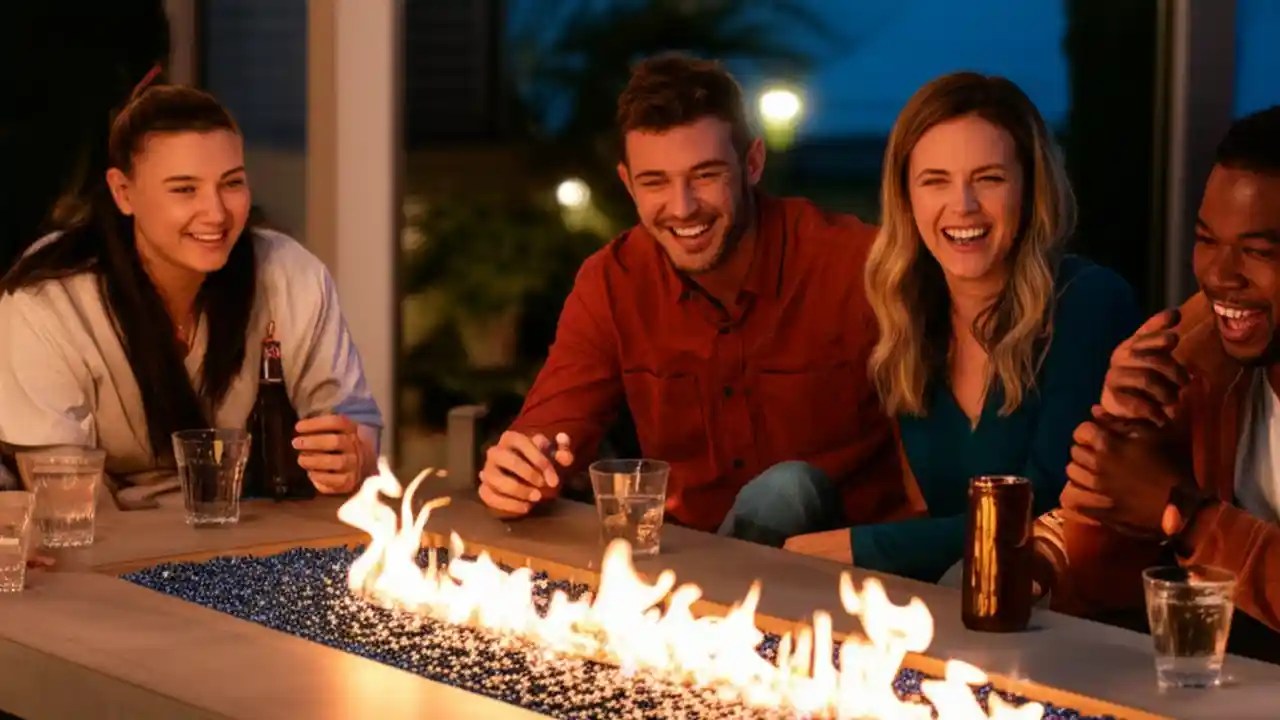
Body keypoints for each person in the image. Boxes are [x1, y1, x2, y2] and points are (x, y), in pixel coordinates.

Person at [476, 54, 913, 541]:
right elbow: (554, 428)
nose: (682, 208)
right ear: (628, 184)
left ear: (752, 164)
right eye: (655, 182)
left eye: (705, 175)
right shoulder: (612, 282)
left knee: (787, 490)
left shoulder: (858, 265)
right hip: (692, 568)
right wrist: (518, 470)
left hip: (851, 570)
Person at [784, 73, 1141, 583]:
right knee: (782, 496)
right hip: (956, 589)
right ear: (906, 197)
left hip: (1054, 594)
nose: (963, 205)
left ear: (1030, 189)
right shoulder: (909, 315)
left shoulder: (1089, 301)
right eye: (935, 181)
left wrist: (860, 547)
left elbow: (1046, 510)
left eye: (989, 179)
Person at [0, 85, 381, 496]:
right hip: (104, 529)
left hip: (248, 522)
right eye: (184, 189)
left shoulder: (288, 273)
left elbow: (353, 425)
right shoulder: (48, 299)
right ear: (123, 192)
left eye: (231, 183)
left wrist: (350, 457)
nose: (216, 213)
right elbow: (63, 497)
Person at [1055, 106, 1280, 662]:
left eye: (1258, 251)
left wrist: (1186, 514)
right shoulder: (1199, 348)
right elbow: (1096, 583)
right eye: (1207, 239)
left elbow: (1180, 518)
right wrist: (1124, 431)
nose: (1218, 275)